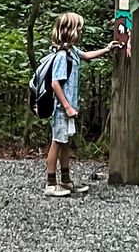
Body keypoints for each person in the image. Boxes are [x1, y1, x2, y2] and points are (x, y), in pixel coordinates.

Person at [44, 11, 115, 199]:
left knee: (65, 143)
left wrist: (107, 49)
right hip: (61, 109)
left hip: (69, 109)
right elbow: (55, 83)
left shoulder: (73, 51)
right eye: (79, 29)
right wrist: (67, 106)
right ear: (71, 31)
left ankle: (65, 180)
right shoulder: (61, 56)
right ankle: (50, 183)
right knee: (57, 142)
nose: (81, 32)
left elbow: (87, 56)